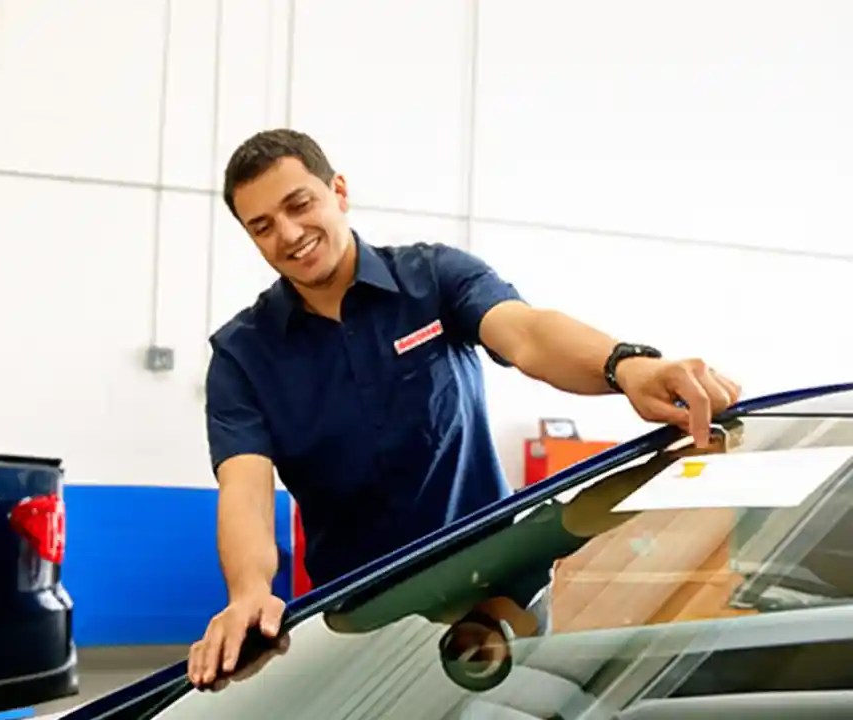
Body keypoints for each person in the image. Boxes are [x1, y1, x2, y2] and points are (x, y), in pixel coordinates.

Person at [187, 128, 742, 689]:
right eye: (263, 227)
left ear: (338, 191)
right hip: (367, 626)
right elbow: (245, 489)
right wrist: (249, 592)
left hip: (499, 604)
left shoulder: (433, 280)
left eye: (299, 205)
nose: (289, 234)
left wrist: (626, 365)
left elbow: (527, 334)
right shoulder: (243, 356)